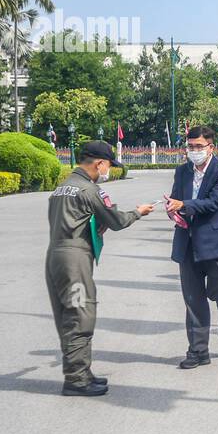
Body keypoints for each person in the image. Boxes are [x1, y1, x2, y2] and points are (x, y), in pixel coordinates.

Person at [45, 141, 154, 397]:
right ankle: (76, 380)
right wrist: (138, 212)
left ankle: (82, 372)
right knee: (80, 315)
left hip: (56, 254)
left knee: (69, 314)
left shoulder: (62, 187)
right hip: (75, 259)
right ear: (99, 163)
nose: (107, 171)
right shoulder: (90, 189)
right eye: (107, 165)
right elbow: (116, 221)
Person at [166, 126, 218, 368]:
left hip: (215, 243)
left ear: (212, 147)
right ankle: (198, 351)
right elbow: (176, 199)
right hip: (187, 242)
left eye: (199, 146)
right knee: (193, 299)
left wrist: (183, 204)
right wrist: (172, 209)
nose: (194, 151)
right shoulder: (182, 171)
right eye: (191, 147)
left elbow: (214, 202)